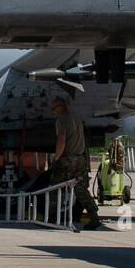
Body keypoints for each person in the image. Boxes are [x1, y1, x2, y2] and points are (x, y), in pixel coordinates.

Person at [47, 98, 101, 229]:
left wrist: (56, 158)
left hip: (67, 160)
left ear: (60, 107)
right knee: (80, 189)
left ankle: (52, 219)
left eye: (54, 108)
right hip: (80, 160)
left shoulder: (62, 120)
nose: (53, 111)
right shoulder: (77, 118)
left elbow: (61, 140)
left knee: (54, 188)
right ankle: (94, 216)